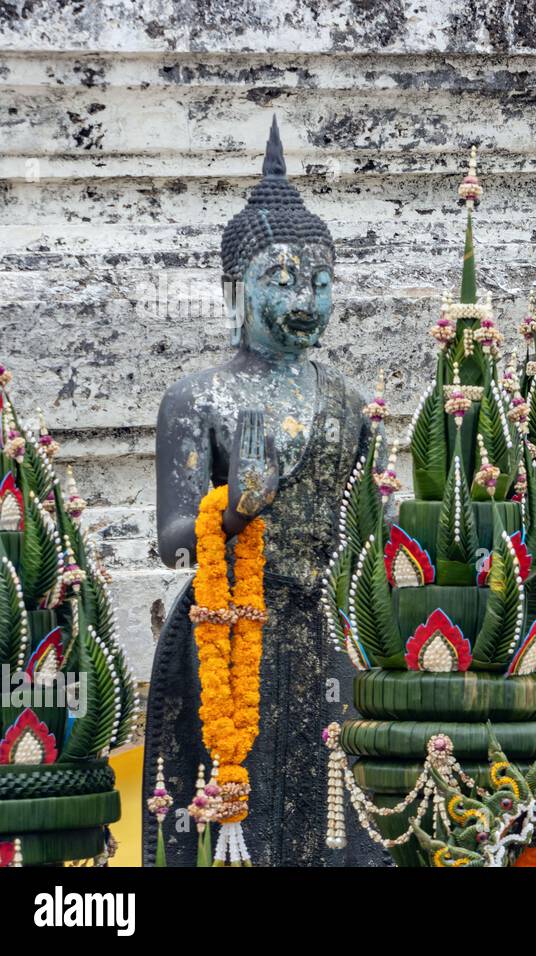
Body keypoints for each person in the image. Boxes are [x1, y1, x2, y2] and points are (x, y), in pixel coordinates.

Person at [143, 118, 386, 864]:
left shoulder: (348, 402)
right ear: (235, 289)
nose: (305, 299)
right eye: (280, 280)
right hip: (227, 625)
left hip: (324, 630)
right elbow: (173, 534)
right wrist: (234, 511)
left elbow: (368, 526)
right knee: (224, 815)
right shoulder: (199, 398)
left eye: (318, 281)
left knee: (332, 826)